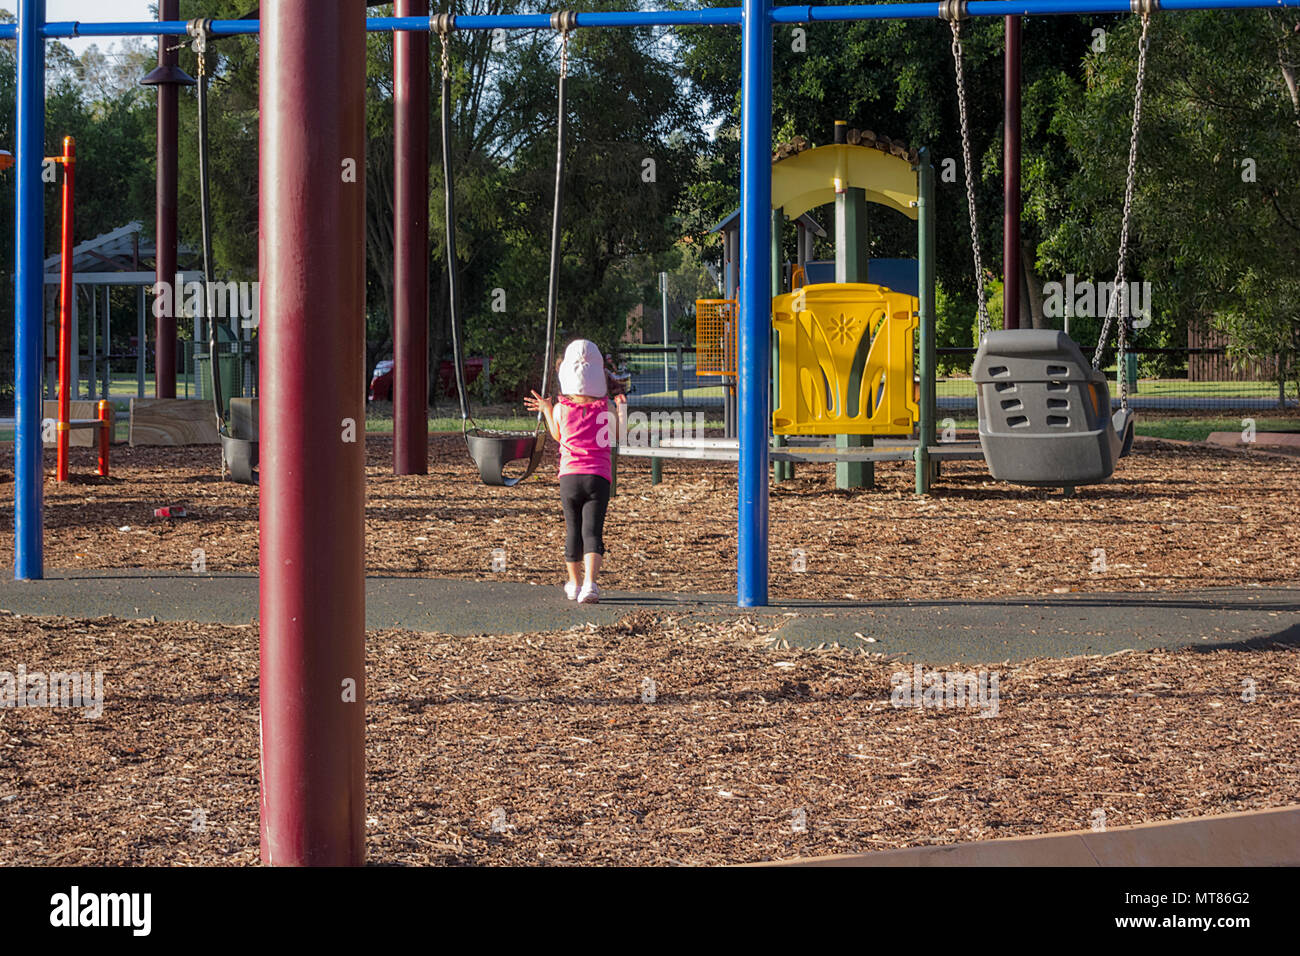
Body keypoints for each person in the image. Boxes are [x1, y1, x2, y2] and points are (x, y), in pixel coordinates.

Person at [525, 339, 624, 604]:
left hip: (569, 477)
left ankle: (574, 583)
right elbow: (618, 436)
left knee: (573, 530)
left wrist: (547, 410)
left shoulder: (561, 409)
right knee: (592, 531)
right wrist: (622, 410)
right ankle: (591, 584)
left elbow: (558, 436)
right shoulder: (606, 408)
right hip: (598, 477)